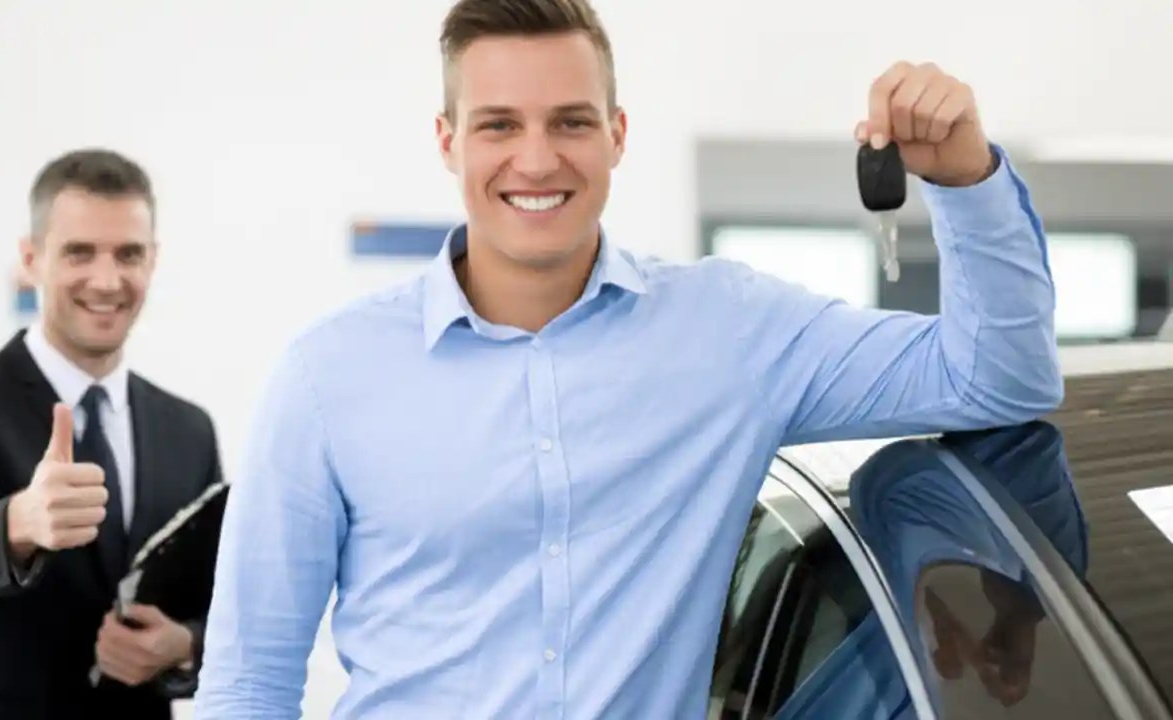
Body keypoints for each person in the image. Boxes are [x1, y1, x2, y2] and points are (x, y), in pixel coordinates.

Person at [193, 0, 1063, 717]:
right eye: (499, 124)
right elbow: (249, 683)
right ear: (448, 139)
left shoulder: (732, 334)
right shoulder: (325, 378)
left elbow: (997, 375)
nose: (537, 159)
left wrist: (965, 178)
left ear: (615, 133)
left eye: (570, 122)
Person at [0, 148, 223, 720]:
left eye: (128, 254)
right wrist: (21, 521)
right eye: (79, 253)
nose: (107, 279)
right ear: (31, 258)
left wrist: (185, 644)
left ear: (153, 260)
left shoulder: (188, 429)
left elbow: (216, 597)